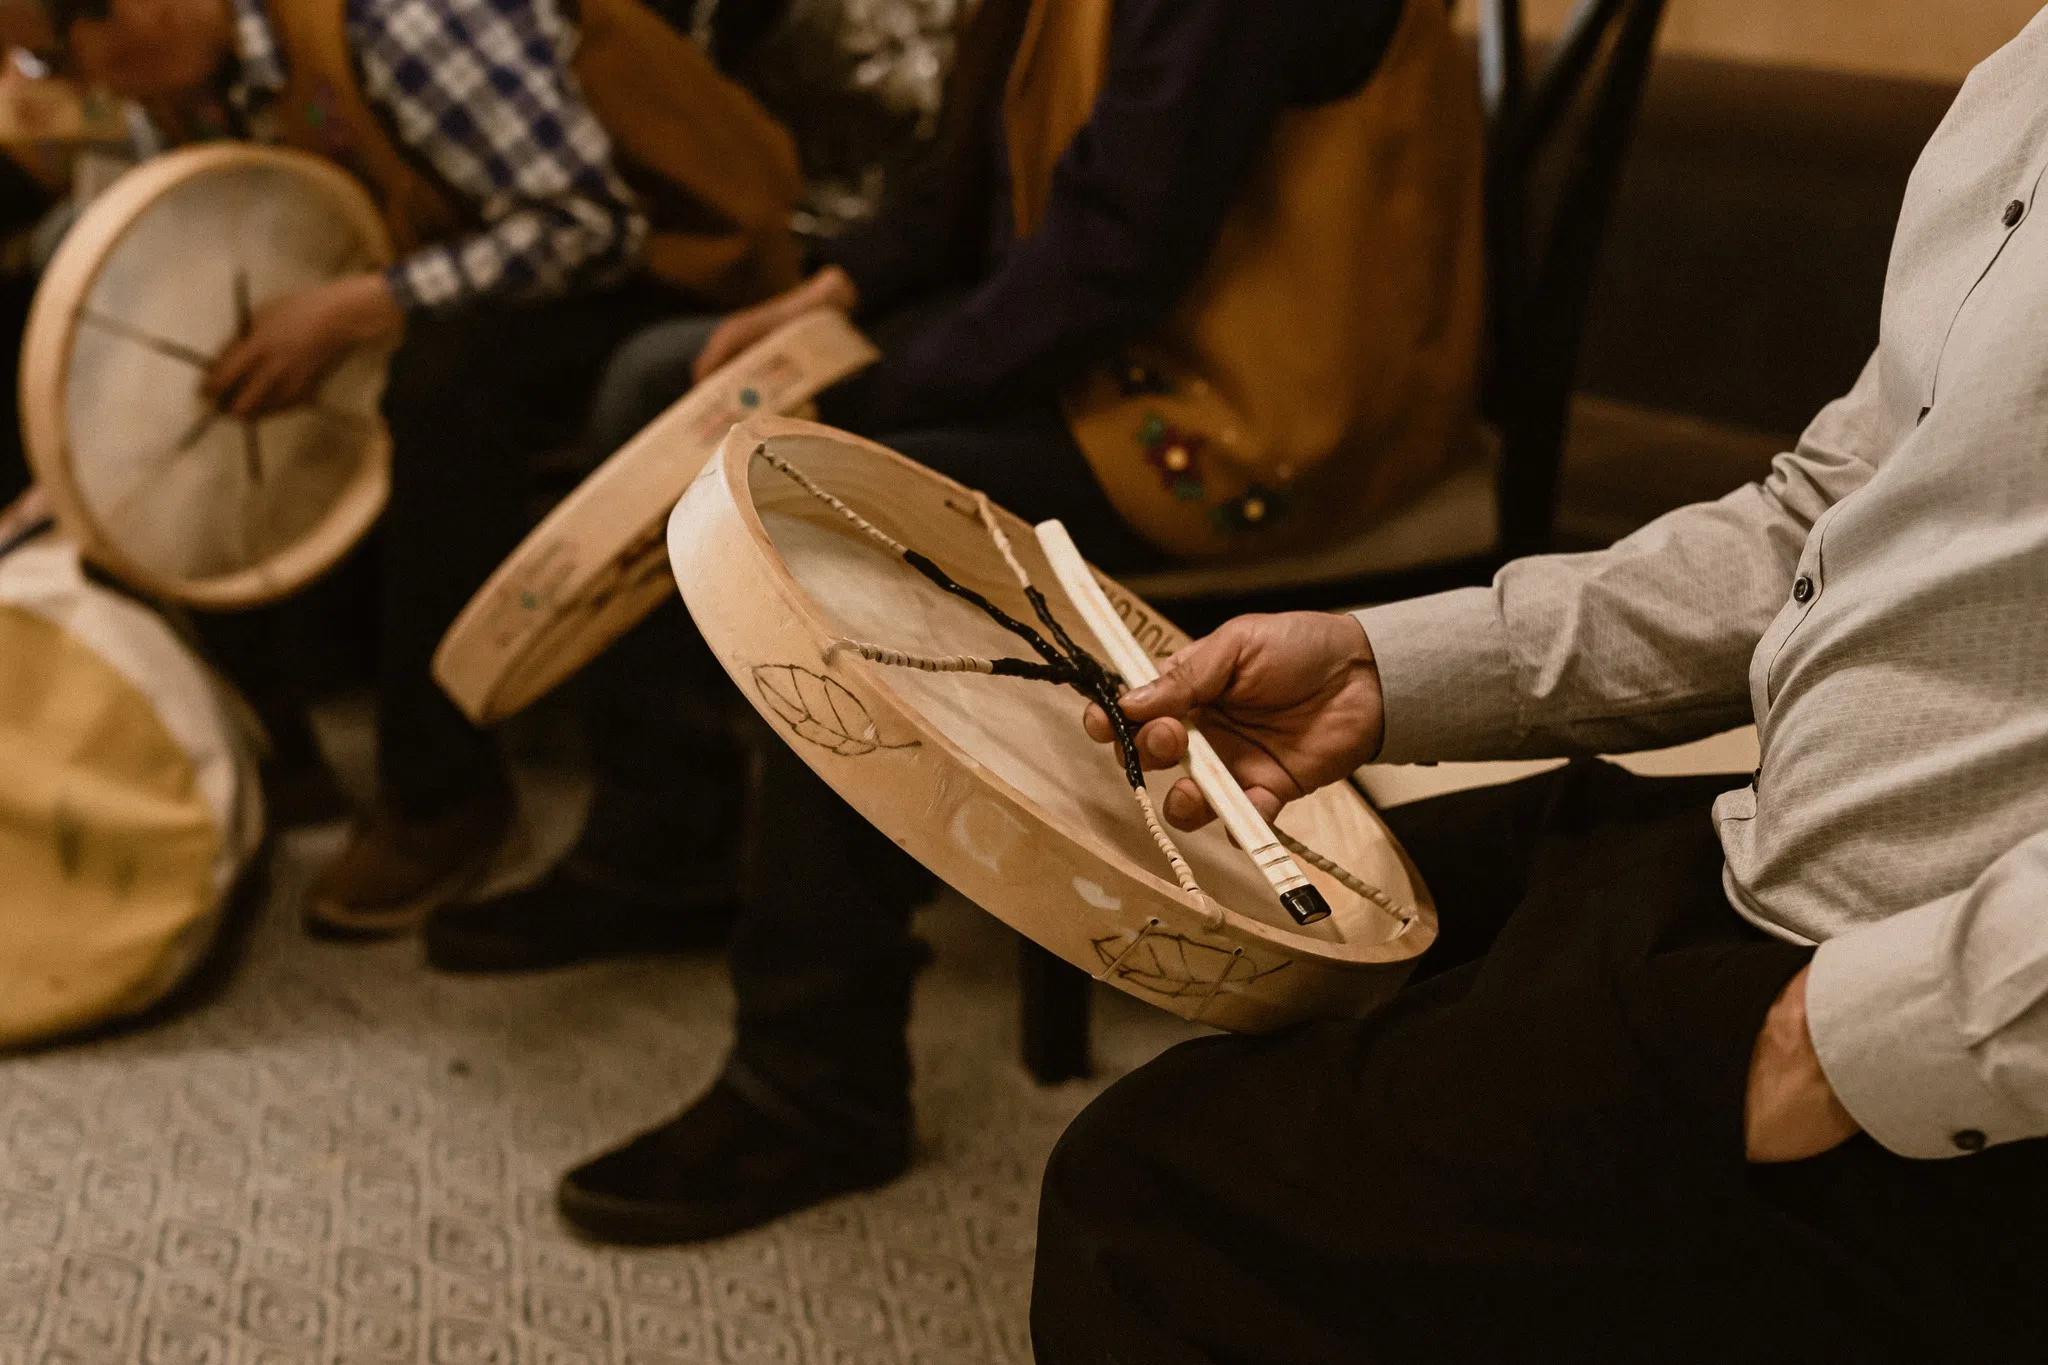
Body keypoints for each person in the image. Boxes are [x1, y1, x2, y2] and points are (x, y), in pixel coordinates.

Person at [1030, 14, 2048, 1358]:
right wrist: (1392, 671)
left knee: (1146, 1199)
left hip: (1922, 996)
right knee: (1347, 938)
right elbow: (1827, 506)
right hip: (1785, 847)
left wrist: (1847, 1041)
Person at [425, 0, 1487, 1246]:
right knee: (658, 382)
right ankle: (665, 842)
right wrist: (825, 300)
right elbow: (965, 182)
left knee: (831, 532)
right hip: (1120, 343)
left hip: (1232, 412)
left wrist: (852, 404)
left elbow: (1113, 248)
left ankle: (816, 1080)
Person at [49, 0, 803, 933]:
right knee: (214, 354)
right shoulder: (208, 78)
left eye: (84, 62)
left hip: (687, 263)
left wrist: (352, 309)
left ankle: (442, 795)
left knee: (447, 380)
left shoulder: (396, 18)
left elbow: (587, 225)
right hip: (489, 262)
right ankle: (267, 732)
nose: (100, 96)